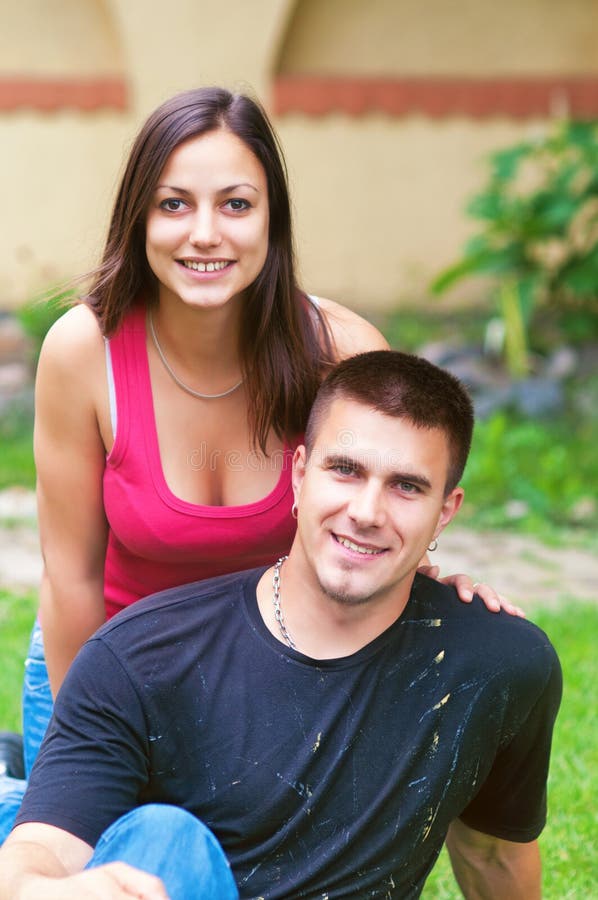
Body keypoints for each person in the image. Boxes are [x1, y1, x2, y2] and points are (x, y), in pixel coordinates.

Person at [1, 87, 512, 802]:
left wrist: (444, 588)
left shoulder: (342, 351)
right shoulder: (84, 353)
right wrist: (84, 752)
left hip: (273, 691)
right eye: (174, 204)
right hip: (113, 674)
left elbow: (390, 537)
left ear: (272, 220)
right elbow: (72, 578)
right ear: (139, 219)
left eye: (236, 205)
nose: (204, 234)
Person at [0, 350, 561, 899]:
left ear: (446, 511)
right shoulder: (142, 657)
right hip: (174, 875)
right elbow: (43, 851)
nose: (367, 512)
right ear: (298, 476)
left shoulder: (495, 664)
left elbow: (492, 854)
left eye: (406, 486)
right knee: (163, 838)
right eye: (345, 470)